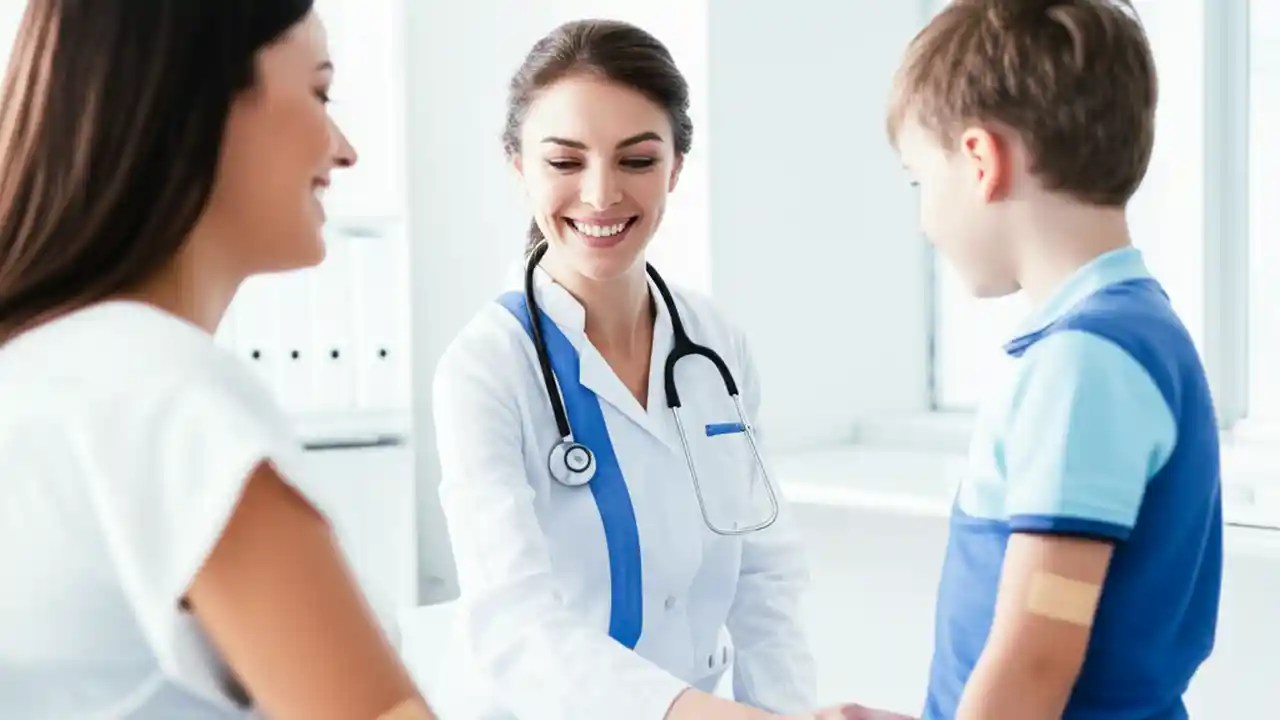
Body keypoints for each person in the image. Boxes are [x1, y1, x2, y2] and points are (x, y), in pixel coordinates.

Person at [0, 2, 435, 718]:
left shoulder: (46, 369)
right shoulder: (160, 385)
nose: (345, 148)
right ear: (197, 103)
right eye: (319, 92)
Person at [427, 17, 865, 720]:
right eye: (565, 162)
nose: (601, 195)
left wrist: (778, 713)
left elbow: (763, 574)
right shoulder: (486, 368)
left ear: (676, 167)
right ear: (518, 167)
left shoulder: (714, 343)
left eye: (636, 160)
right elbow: (515, 623)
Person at [886, 1, 1222, 718]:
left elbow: (1037, 659)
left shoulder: (1082, 366)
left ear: (980, 160)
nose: (923, 219)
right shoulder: (1132, 334)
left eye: (919, 180)